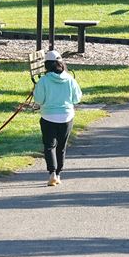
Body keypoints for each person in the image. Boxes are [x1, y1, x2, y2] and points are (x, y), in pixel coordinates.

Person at [32, 50, 82, 185]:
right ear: (61, 63)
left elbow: (39, 100)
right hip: (66, 117)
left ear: (46, 65)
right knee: (61, 147)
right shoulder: (70, 79)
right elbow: (77, 98)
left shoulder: (43, 81)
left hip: (48, 116)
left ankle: (52, 173)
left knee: (49, 146)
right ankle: (58, 174)